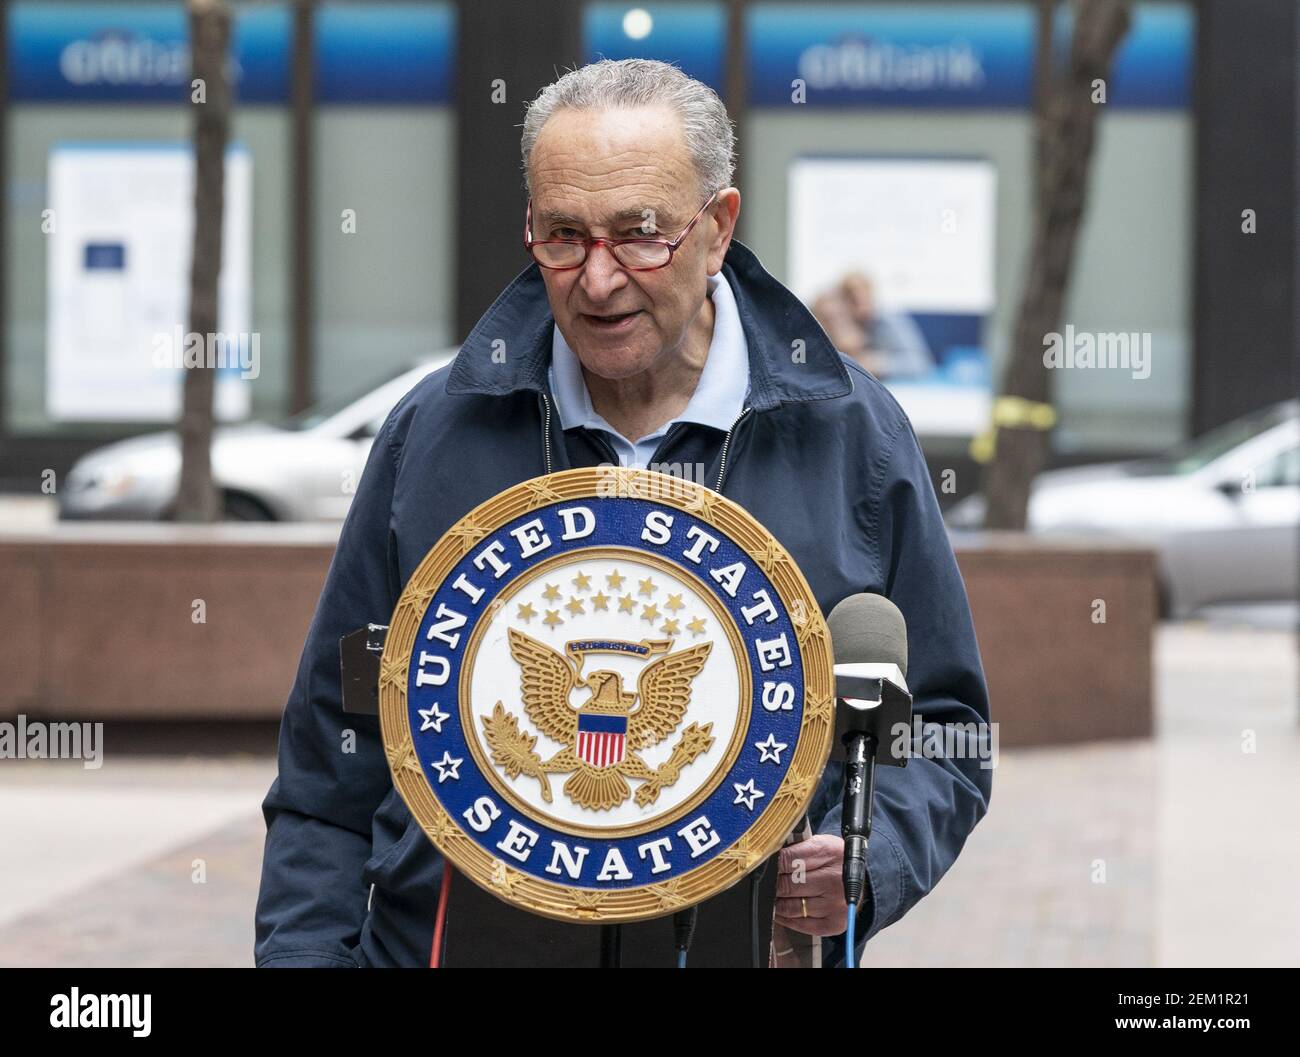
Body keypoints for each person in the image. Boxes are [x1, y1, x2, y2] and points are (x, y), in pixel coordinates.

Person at [254, 58, 991, 968]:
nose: (597, 280)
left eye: (641, 235)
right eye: (564, 235)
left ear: (718, 227)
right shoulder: (434, 432)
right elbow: (332, 761)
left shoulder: (849, 434)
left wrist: (870, 859)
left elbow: (948, 727)